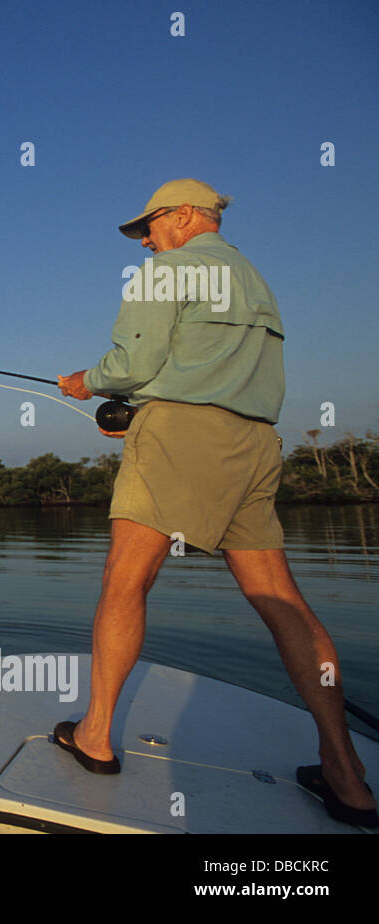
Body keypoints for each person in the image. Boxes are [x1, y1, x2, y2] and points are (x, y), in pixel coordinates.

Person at [53, 178, 376, 827]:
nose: (145, 239)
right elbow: (214, 373)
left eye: (148, 226)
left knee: (125, 580)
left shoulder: (167, 270)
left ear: (181, 216)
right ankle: (347, 776)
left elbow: (131, 361)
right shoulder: (256, 283)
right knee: (281, 600)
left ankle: (94, 737)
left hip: (182, 441)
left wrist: (85, 383)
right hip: (255, 445)